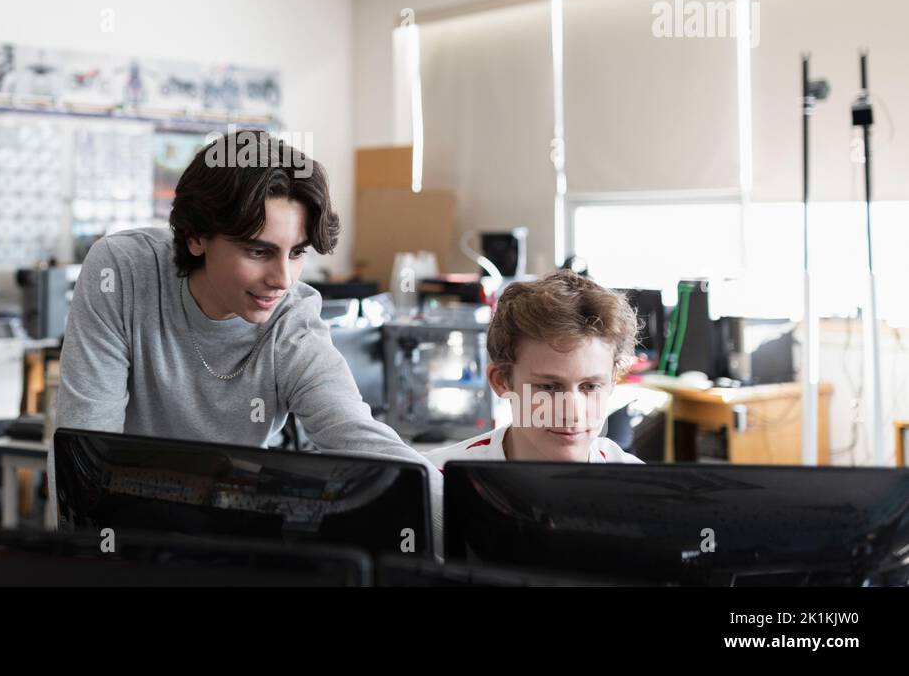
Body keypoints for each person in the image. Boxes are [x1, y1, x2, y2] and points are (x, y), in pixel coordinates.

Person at [54, 128, 442, 539]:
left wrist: (477, 523)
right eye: (259, 252)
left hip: (231, 533)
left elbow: (363, 441)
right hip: (126, 533)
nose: (283, 280)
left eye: (296, 253)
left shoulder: (293, 325)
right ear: (196, 236)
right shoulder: (123, 272)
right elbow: (84, 452)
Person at [428, 270, 643, 467]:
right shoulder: (436, 484)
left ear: (613, 380)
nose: (572, 413)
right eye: (549, 387)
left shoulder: (641, 492)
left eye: (591, 386)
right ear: (501, 380)